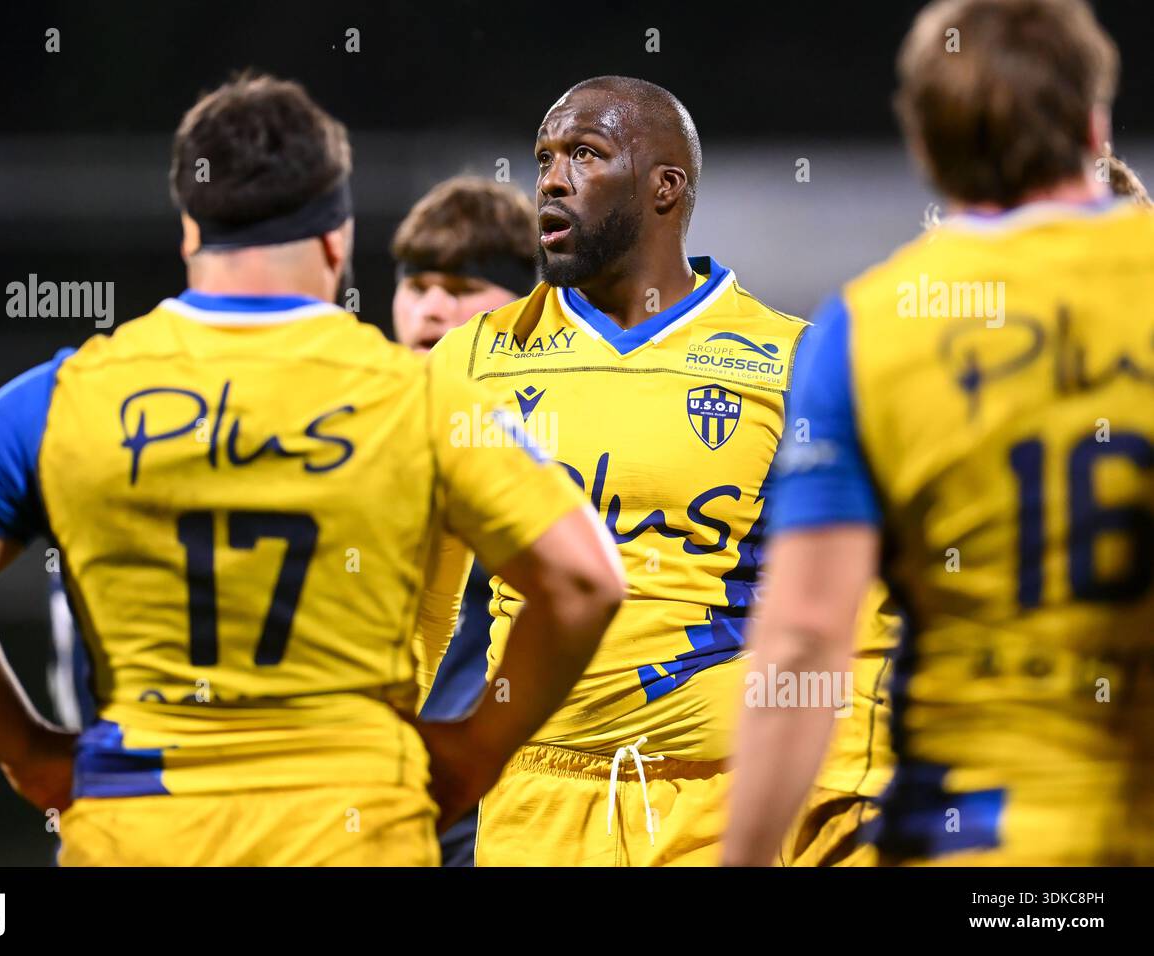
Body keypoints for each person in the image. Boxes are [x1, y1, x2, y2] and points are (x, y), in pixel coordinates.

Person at [0, 72, 624, 866]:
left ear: (190, 232)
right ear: (338, 239)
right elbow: (583, 581)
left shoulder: (65, 396)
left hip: (140, 830)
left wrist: (28, 751)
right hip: (349, 832)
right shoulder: (423, 399)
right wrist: (477, 748)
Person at [724, 0, 1154, 866]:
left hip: (980, 836)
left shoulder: (869, 327)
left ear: (926, 144)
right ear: (1093, 120)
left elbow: (808, 634)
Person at [418, 75, 886, 865]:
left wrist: (846, 803)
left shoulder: (790, 360)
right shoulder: (472, 359)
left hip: (720, 811)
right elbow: (420, 598)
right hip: (532, 809)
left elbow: (851, 611)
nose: (552, 179)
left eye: (585, 154)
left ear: (665, 187)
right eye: (544, 158)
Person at [389, 175, 539, 866]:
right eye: (417, 287)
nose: (433, 310)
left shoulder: (554, 441)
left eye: (461, 287)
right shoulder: (355, 432)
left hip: (507, 802)